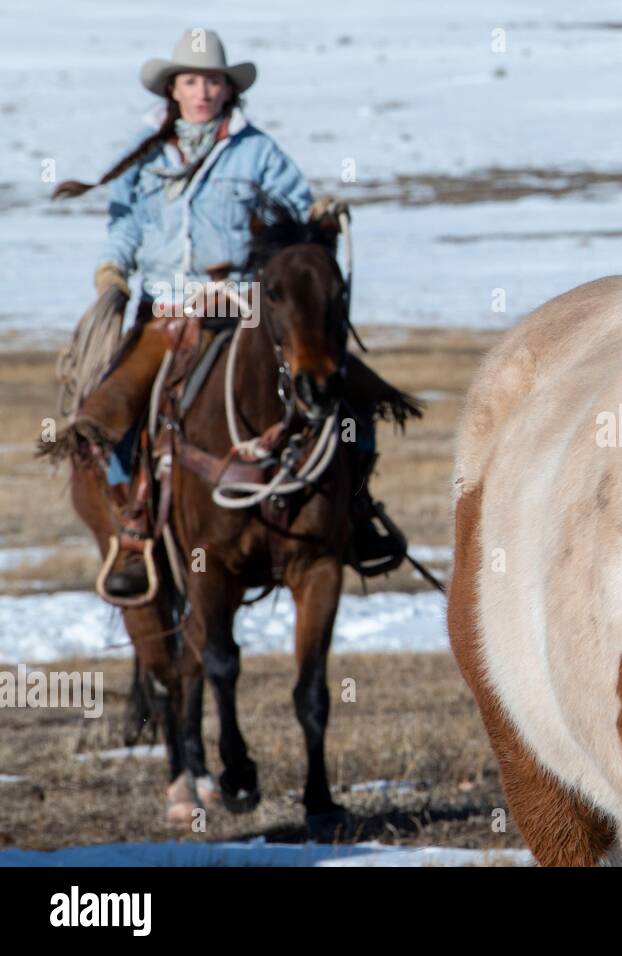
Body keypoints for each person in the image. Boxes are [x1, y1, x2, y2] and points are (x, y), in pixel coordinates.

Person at [53, 28, 402, 599]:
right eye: (191, 80)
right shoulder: (143, 156)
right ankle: (135, 526)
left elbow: (296, 215)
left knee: (352, 397)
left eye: (212, 80)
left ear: (227, 89)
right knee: (104, 416)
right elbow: (124, 226)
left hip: (246, 309)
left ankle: (355, 512)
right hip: (167, 312)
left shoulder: (258, 150)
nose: (203, 90)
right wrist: (110, 271)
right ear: (174, 89)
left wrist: (320, 212)